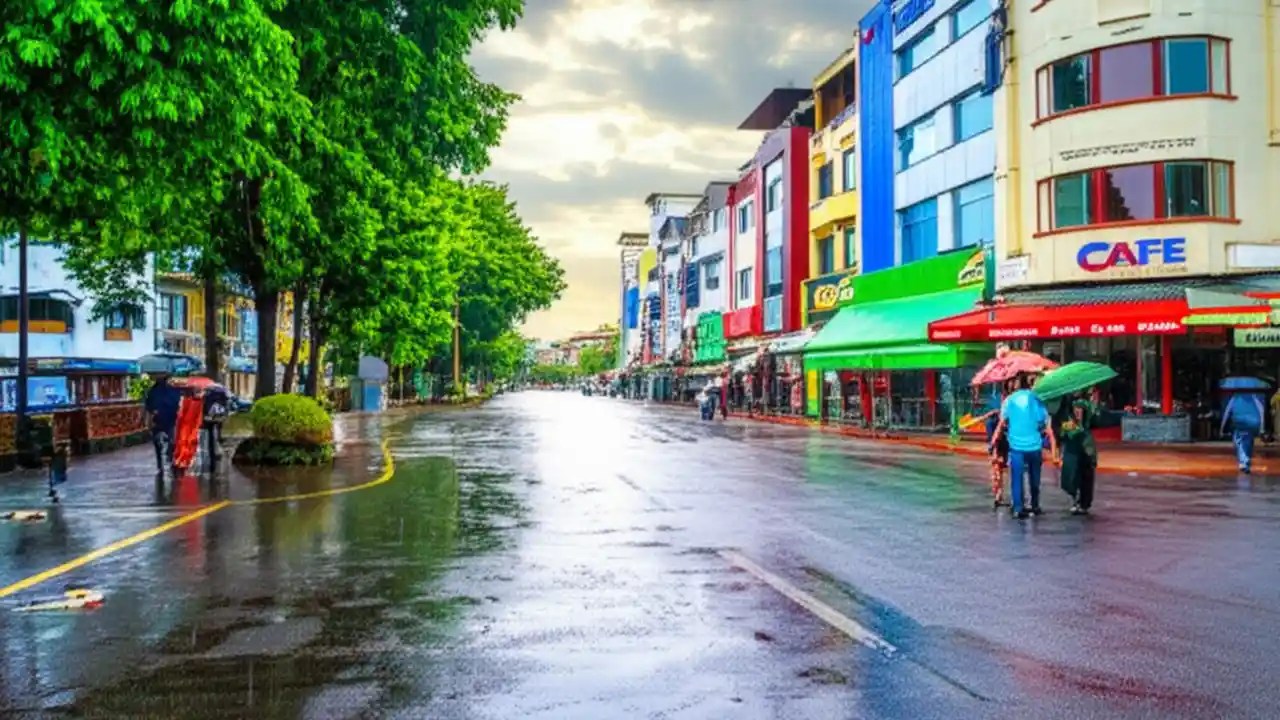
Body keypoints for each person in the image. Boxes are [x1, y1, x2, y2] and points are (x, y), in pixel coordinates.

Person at [991, 373, 1058, 519]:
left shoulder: (1009, 400)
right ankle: (1034, 504)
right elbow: (1043, 422)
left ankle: (1018, 508)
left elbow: (1003, 422)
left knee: (1017, 478)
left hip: (1016, 447)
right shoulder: (1036, 400)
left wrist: (994, 441)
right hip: (1034, 446)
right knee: (1035, 478)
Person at [1057, 398, 1097, 515]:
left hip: (1086, 454)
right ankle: (1076, 500)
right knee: (1071, 479)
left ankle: (1084, 503)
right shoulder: (1069, 424)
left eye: (1080, 409)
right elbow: (1062, 435)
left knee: (1086, 479)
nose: (1078, 411)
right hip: (1073, 455)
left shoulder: (1088, 423)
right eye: (1076, 409)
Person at [144, 374, 182, 474]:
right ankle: (171, 460)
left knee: (158, 443)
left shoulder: (152, 391)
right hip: (170, 419)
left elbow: (148, 408)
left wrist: (148, 423)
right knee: (172, 441)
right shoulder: (173, 390)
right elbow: (178, 405)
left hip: (159, 419)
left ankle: (160, 464)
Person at [1222, 391, 1265, 474]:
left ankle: (1244, 461)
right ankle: (1245, 461)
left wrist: (1222, 428)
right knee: (1248, 442)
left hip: (1239, 423)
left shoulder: (1235, 397)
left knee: (1239, 442)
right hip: (1251, 424)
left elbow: (1227, 412)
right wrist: (1262, 427)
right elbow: (1261, 411)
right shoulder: (1254, 396)